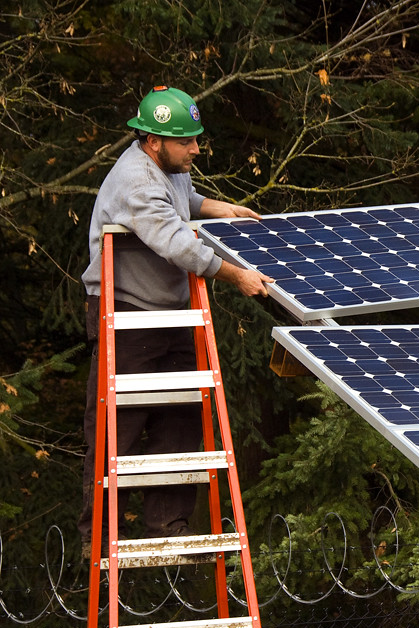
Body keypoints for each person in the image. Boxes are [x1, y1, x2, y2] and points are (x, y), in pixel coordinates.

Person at [78, 86, 273, 554]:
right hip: (126, 314)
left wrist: (215, 207)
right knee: (115, 427)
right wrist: (237, 276)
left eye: (196, 138)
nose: (197, 148)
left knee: (182, 415)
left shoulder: (166, 166)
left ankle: (167, 523)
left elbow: (181, 197)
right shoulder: (136, 182)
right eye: (187, 141)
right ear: (152, 141)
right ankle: (98, 536)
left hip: (168, 312)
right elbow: (177, 243)